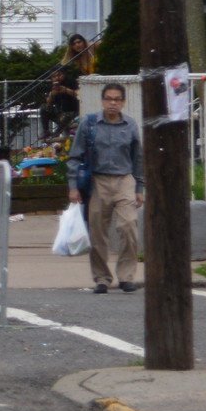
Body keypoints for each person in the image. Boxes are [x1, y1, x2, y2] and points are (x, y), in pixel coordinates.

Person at [67, 82, 143, 295]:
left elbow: (138, 158)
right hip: (97, 182)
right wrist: (73, 187)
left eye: (117, 99)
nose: (112, 103)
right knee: (98, 232)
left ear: (123, 102)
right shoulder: (89, 124)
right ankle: (101, 278)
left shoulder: (130, 125)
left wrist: (140, 187)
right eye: (109, 98)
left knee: (128, 226)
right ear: (102, 101)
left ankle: (127, 277)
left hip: (124, 180)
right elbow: (75, 156)